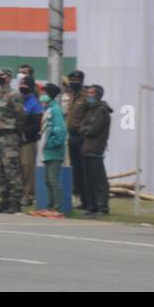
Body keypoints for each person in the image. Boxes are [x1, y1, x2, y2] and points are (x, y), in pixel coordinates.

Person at [0, 68, 25, 213]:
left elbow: (21, 115)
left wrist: (16, 133)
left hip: (9, 136)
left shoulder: (14, 94)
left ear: (9, 78)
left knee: (12, 170)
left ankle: (16, 201)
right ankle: (5, 199)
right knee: (0, 171)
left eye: (1, 75)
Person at [80, 84, 113, 218]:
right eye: (87, 93)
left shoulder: (101, 110)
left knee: (99, 180)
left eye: (91, 93)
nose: (88, 95)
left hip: (95, 149)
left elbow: (92, 129)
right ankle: (91, 207)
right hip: (86, 148)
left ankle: (102, 208)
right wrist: (85, 129)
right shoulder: (90, 110)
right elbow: (82, 127)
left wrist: (85, 129)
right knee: (88, 180)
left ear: (98, 94)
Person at [36, 82, 67, 217]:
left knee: (53, 180)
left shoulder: (55, 109)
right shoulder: (48, 109)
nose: (41, 95)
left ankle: (57, 208)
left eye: (44, 93)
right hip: (47, 151)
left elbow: (60, 130)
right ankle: (49, 206)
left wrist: (50, 143)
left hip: (54, 151)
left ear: (49, 95)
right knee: (48, 180)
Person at [64, 69, 90, 210]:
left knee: (84, 169)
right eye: (71, 80)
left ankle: (88, 200)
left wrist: (85, 131)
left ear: (81, 80)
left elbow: (92, 115)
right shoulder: (73, 96)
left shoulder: (86, 96)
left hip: (82, 137)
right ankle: (81, 199)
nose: (73, 83)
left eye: (75, 80)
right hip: (72, 137)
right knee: (76, 170)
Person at [18, 75, 44, 207]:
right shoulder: (20, 100)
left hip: (28, 141)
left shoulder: (34, 102)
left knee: (28, 168)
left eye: (24, 84)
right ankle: (21, 193)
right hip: (19, 141)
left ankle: (28, 195)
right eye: (20, 84)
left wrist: (23, 131)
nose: (21, 86)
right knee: (20, 168)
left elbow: (36, 124)